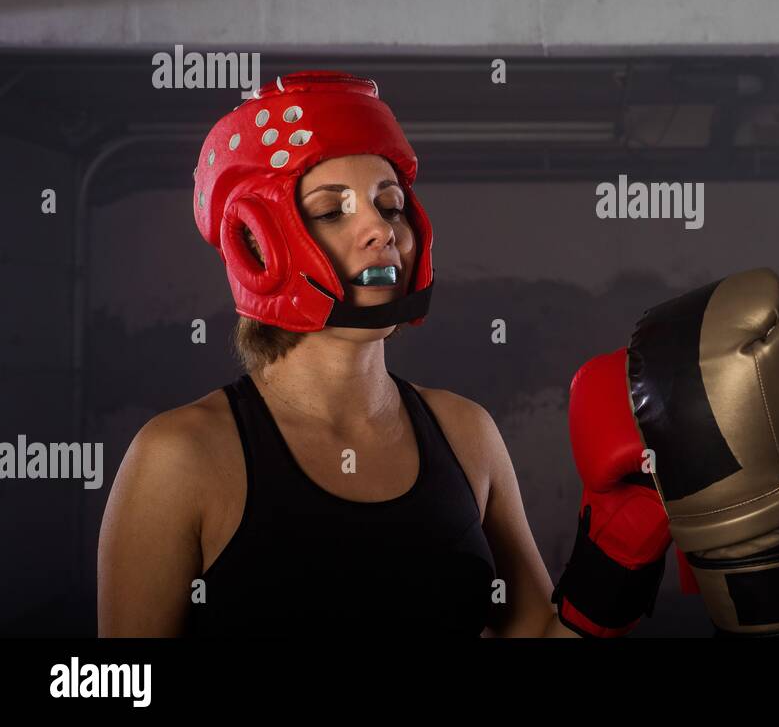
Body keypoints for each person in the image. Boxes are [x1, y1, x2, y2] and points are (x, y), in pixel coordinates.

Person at [97, 71, 580, 637]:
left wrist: (615, 572)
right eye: (332, 211)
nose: (380, 227)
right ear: (257, 243)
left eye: (390, 204)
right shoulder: (179, 456)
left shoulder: (465, 431)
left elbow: (537, 630)